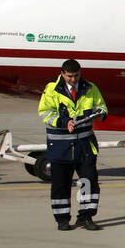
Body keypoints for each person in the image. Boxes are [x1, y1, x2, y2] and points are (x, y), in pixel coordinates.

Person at [37, 59, 108, 231]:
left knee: (89, 183)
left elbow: (102, 107)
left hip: (84, 145)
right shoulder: (51, 89)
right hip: (61, 147)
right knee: (61, 185)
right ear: (62, 74)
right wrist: (63, 122)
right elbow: (45, 112)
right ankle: (62, 219)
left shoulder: (91, 88)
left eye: (76, 76)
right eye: (70, 76)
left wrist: (100, 114)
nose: (73, 80)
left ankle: (86, 217)